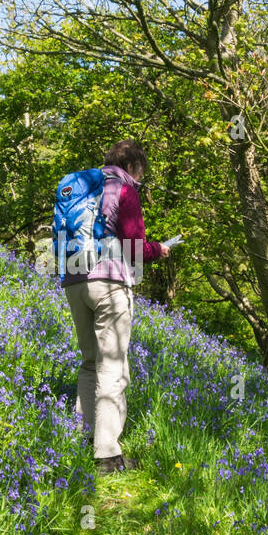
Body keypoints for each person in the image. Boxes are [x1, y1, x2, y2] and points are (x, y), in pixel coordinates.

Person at [61, 140, 169, 475]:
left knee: (90, 363)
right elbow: (135, 246)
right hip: (109, 282)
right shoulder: (124, 189)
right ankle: (107, 456)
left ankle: (85, 438)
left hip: (74, 279)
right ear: (135, 166)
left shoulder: (84, 185)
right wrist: (159, 250)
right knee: (113, 367)